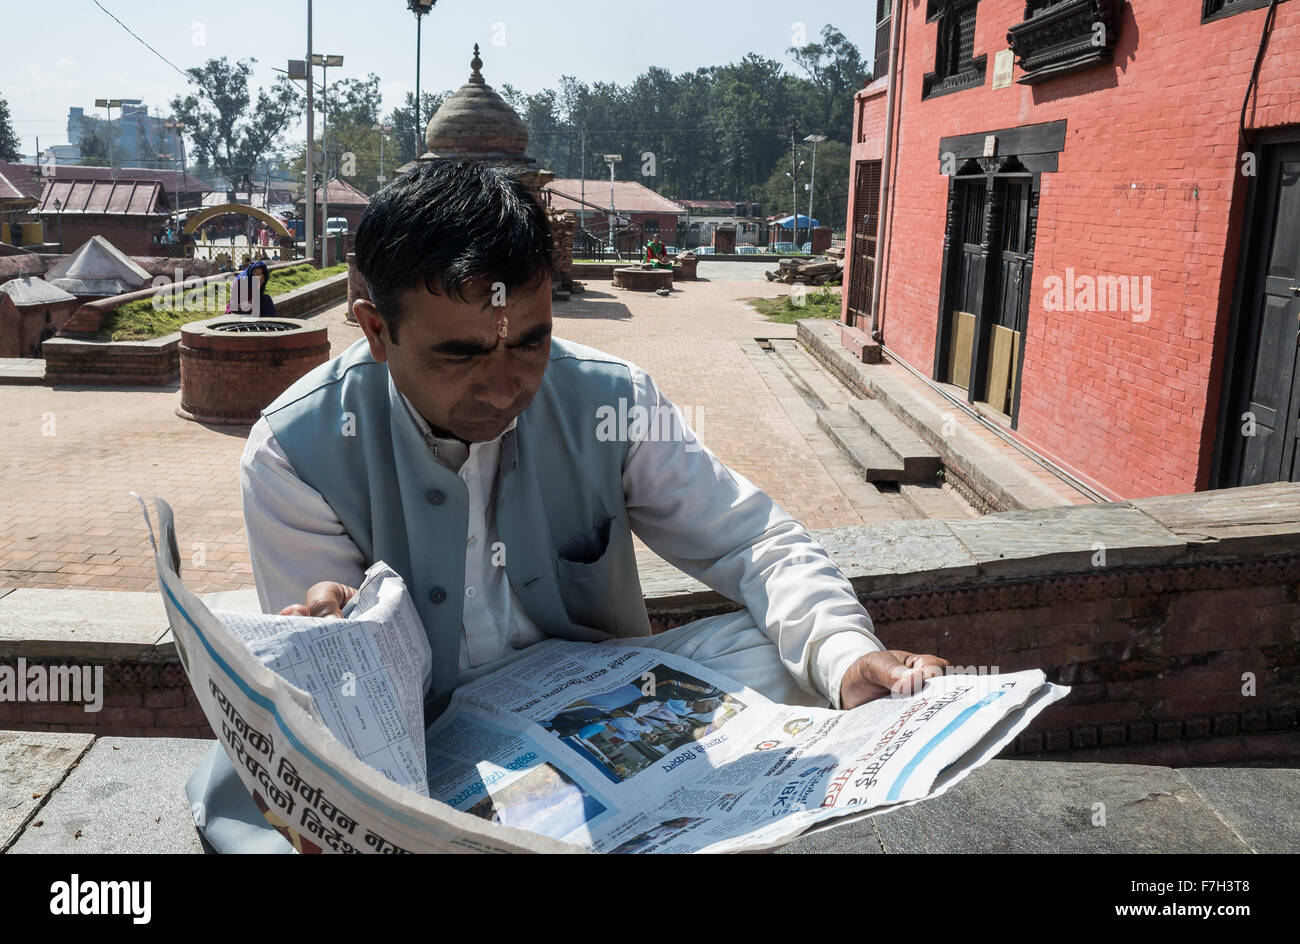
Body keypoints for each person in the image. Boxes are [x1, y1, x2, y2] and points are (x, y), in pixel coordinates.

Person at [186, 160, 950, 852]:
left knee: (783, 652)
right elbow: (334, 708)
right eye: (460, 355)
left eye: (529, 344)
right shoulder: (299, 448)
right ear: (376, 330)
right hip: (425, 742)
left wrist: (848, 653)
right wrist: (331, 630)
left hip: (598, 709)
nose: (503, 386)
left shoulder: (608, 400)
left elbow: (752, 541)